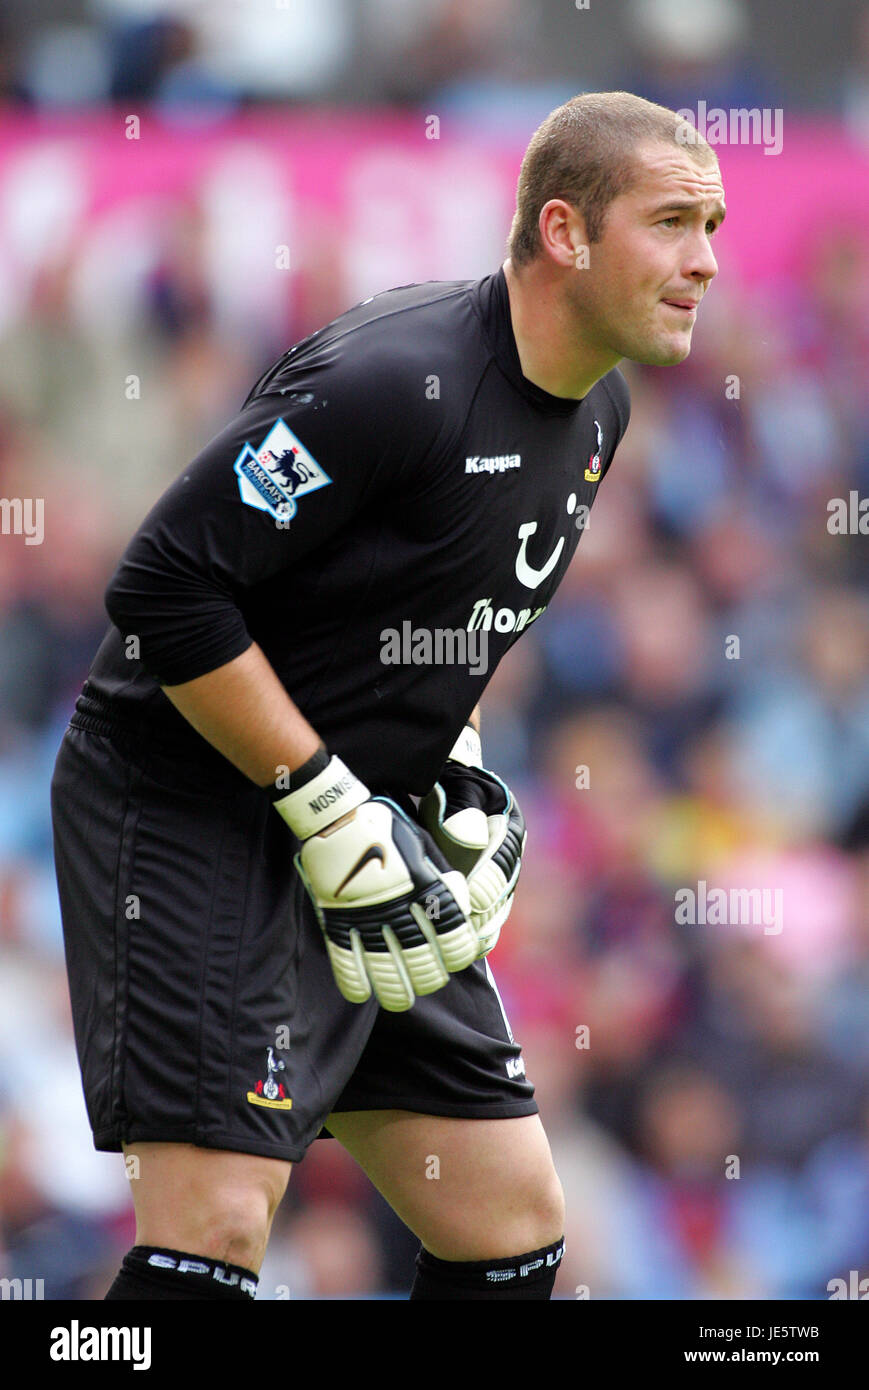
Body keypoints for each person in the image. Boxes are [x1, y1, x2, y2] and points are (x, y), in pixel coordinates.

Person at [50, 90, 725, 1301]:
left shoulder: (598, 412)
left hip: (357, 823)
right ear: (564, 233)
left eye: (714, 224)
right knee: (214, 1227)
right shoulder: (388, 378)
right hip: (188, 798)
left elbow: (433, 623)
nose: (705, 260)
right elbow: (163, 588)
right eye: (672, 222)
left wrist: (458, 769)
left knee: (509, 1224)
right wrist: (319, 797)